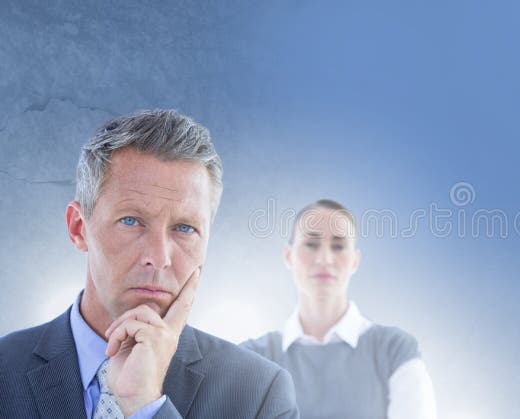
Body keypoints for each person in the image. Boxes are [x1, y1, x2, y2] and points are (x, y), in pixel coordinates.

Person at [0, 110, 299, 418]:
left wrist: (146, 408)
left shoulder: (258, 395)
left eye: (185, 228)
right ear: (78, 228)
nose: (159, 257)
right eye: (131, 221)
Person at [241, 199, 437, 419]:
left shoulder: (395, 350)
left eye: (338, 246)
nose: (324, 259)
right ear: (288, 256)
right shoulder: (252, 358)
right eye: (311, 244)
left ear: (354, 260)